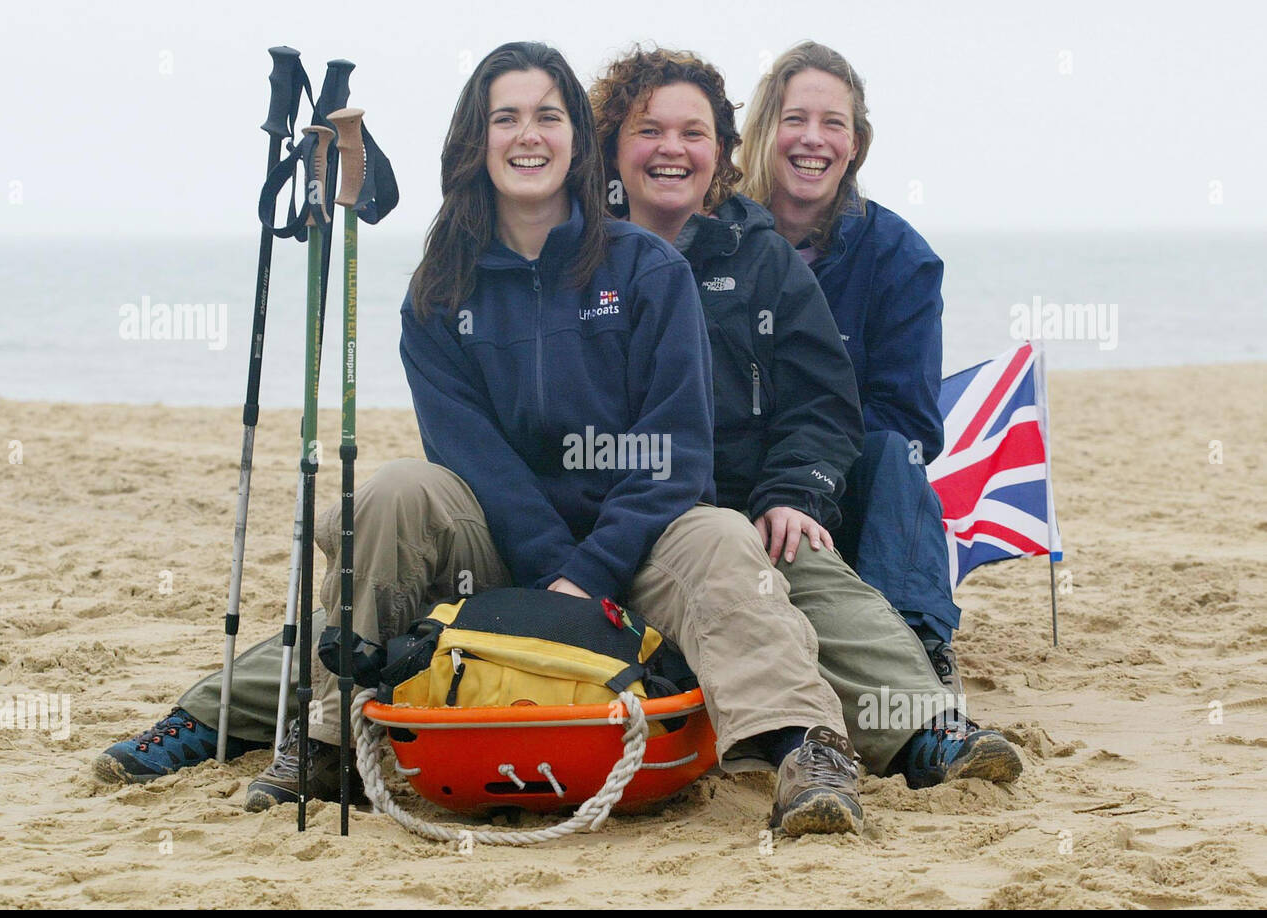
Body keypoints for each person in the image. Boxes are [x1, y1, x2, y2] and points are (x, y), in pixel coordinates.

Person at [96, 41, 868, 837]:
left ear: (577, 142)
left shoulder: (646, 270)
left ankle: (806, 751)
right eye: (506, 118)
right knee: (393, 491)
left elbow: (676, 455)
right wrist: (549, 579)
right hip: (495, 553)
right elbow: (473, 464)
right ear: (477, 139)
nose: (527, 135)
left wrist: (590, 573)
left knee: (717, 532)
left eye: (547, 116)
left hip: (640, 548)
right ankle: (327, 740)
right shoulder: (439, 290)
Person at [589, 46, 1020, 787]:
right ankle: (801, 741)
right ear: (610, 149)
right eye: (648, 131)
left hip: (758, 503)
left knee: (814, 553)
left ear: (720, 149)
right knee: (728, 557)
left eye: (692, 133)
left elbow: (830, 401)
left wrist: (794, 489)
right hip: (622, 521)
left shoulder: (761, 255)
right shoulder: (572, 257)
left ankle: (928, 729)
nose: (671, 150)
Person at [739, 41, 964, 686]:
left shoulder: (899, 257)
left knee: (898, 453)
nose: (813, 139)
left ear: (856, 143)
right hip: (725, 463)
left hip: (842, 474)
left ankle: (918, 643)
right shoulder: (713, 235)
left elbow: (913, 419)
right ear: (762, 131)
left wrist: (807, 463)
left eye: (833, 123)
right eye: (794, 119)